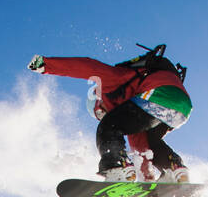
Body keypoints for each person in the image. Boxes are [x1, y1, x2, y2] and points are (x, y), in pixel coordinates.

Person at [28, 44, 191, 182]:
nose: (102, 116)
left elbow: (88, 67)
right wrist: (148, 184)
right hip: (181, 107)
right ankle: (175, 171)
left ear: (98, 99)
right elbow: (141, 149)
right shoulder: (133, 114)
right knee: (149, 142)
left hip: (159, 92)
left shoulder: (109, 84)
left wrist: (46, 65)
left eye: (100, 112)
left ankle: (116, 166)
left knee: (108, 128)